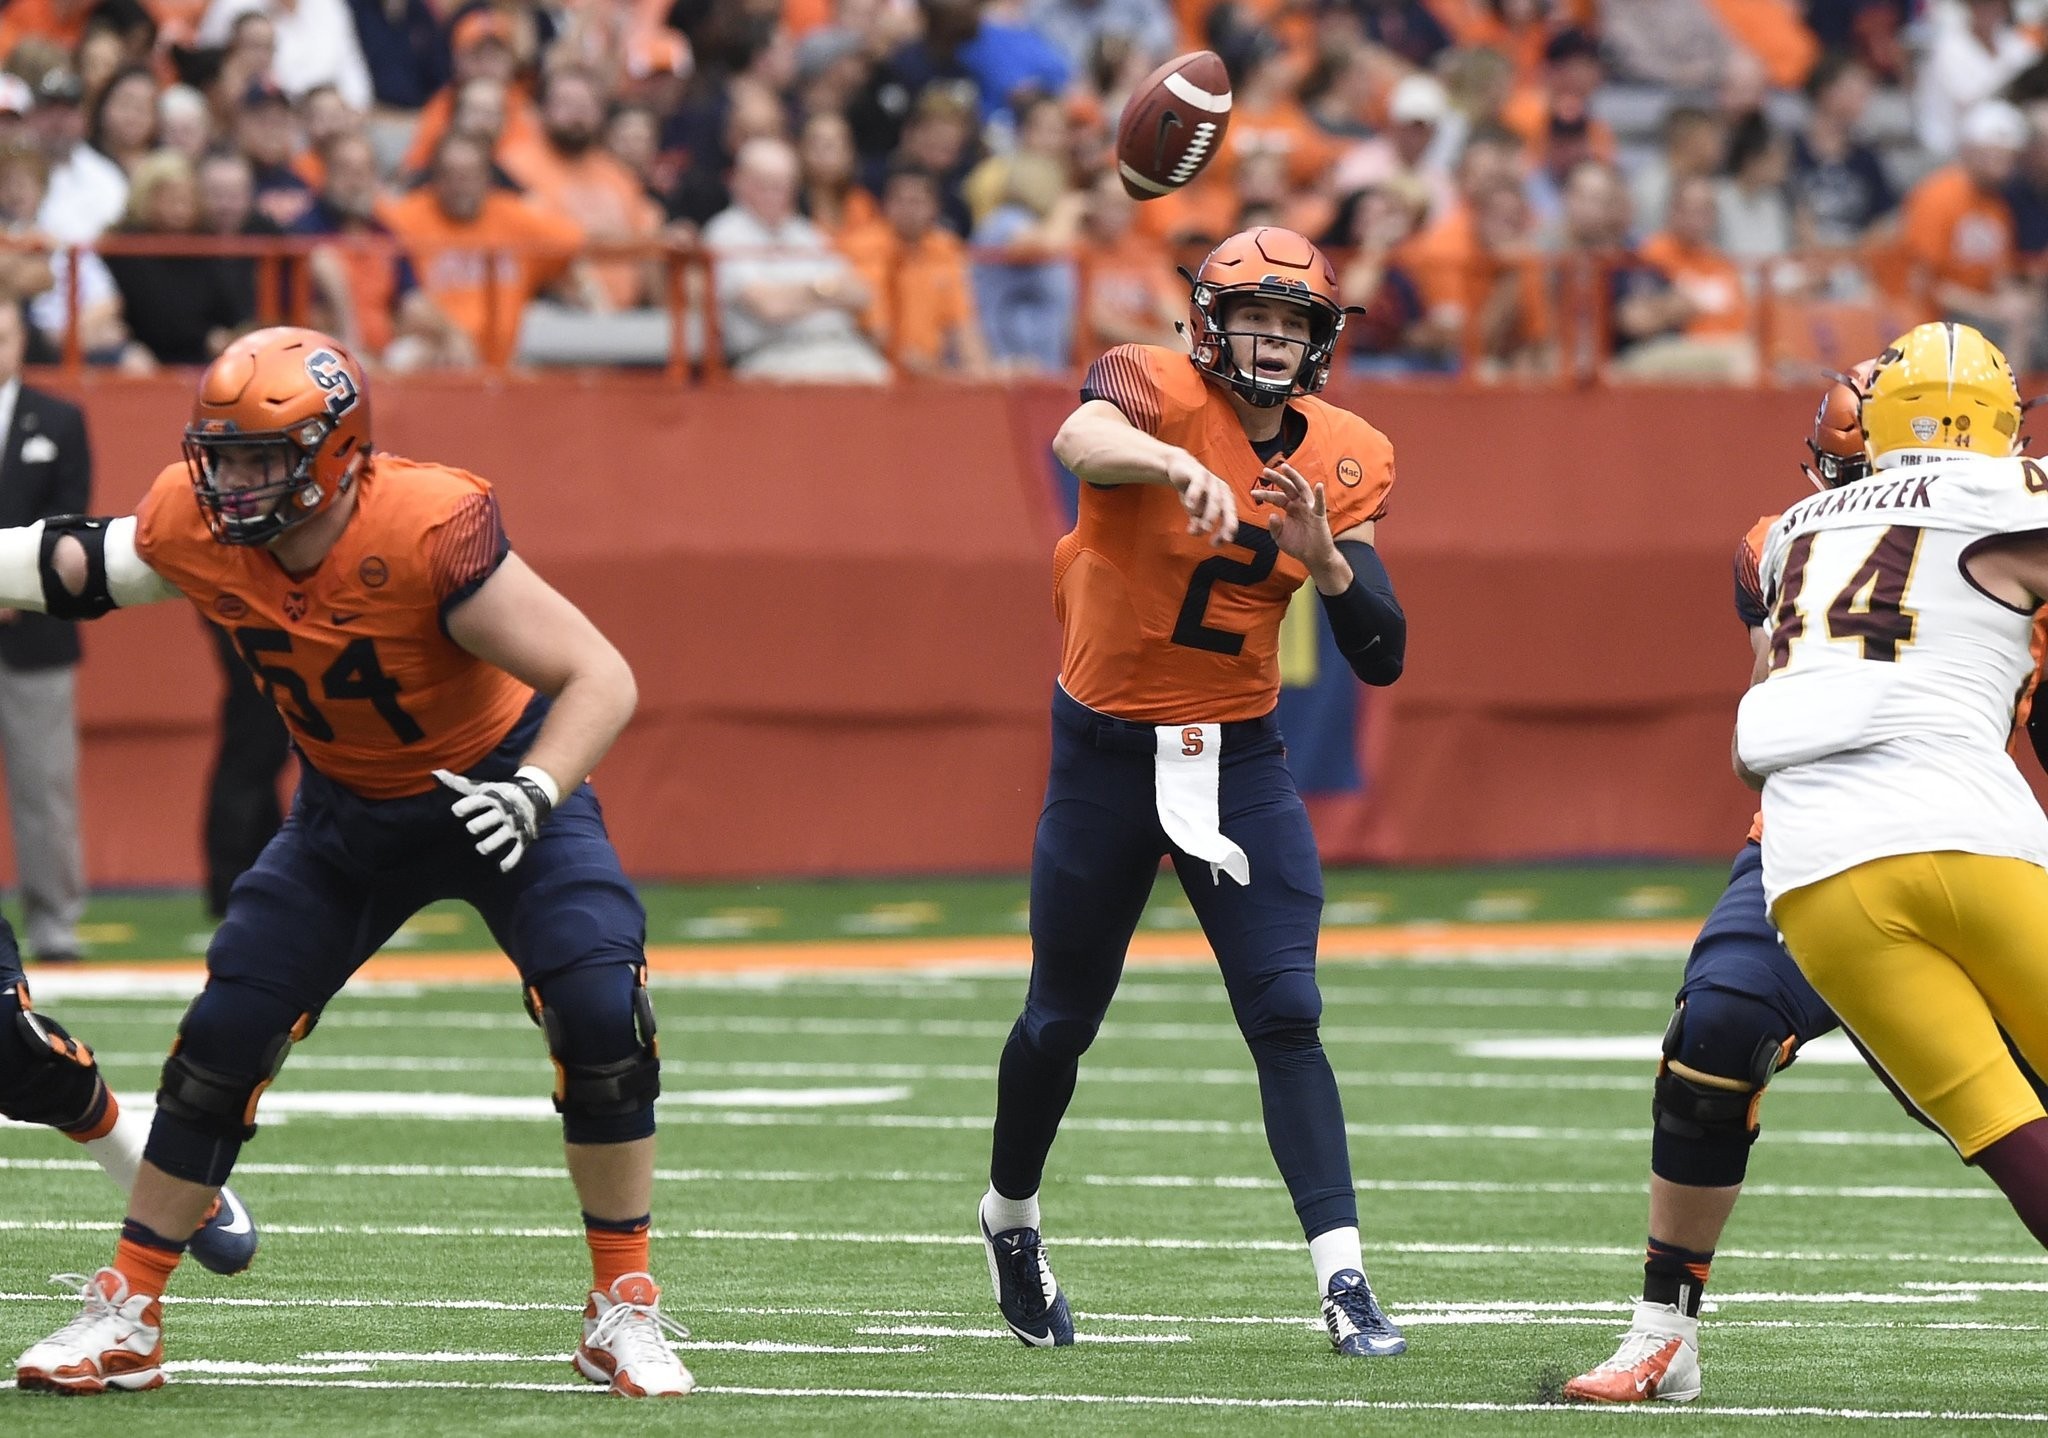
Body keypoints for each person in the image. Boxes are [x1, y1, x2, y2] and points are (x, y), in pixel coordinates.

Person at [7, 326, 690, 1399]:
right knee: (224, 1032)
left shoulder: (424, 525)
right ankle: (129, 1310)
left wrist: (535, 790)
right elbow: (81, 562)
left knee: (602, 1010)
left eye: (258, 458)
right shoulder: (203, 524)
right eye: (219, 456)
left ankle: (623, 1304)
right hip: (346, 815)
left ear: (334, 451)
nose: (231, 482)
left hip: (496, 792)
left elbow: (598, 674)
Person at [1565, 361, 2044, 1402]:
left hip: (1956, 833)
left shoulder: (1996, 529)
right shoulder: (1786, 539)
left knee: (2010, 1107)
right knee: (1715, 1030)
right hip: (1807, 843)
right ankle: (1660, 1329)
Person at [980, 226, 1409, 1357]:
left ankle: (1345, 1278)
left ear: (1320, 341)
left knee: (1286, 1010)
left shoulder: (1347, 454)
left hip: (1238, 757)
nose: (1270, 341)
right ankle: (1009, 1218)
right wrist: (1175, 465)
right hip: (1106, 754)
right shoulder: (1151, 385)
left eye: (1291, 323)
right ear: (1207, 325)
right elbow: (1080, 434)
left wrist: (1323, 558)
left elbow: (1383, 653)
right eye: (1252, 319)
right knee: (1060, 1019)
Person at [1735, 324, 2048, 1285]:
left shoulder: (1790, 530)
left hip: (1813, 871)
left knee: (2009, 1131)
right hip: (1965, 826)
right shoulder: (2014, 488)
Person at [0, 300, 89, 963]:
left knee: (45, 784)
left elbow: (67, 520)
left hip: (33, 634)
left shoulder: (60, 419)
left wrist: (15, 589)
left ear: (20, 340)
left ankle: (55, 921)